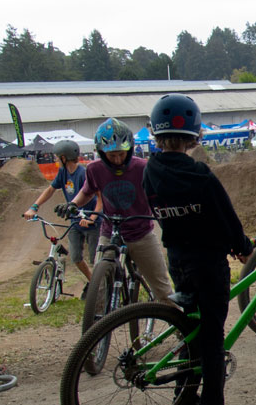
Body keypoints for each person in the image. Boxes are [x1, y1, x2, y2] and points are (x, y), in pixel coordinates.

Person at [143, 94, 252, 405]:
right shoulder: (201, 174)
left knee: (190, 333)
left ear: (156, 133)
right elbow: (226, 217)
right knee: (211, 338)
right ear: (194, 136)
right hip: (208, 263)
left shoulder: (151, 170)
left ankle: (185, 404)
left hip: (178, 260)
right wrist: (242, 247)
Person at [63, 118, 173, 303]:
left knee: (162, 288)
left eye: (121, 154)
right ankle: (97, 328)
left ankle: (179, 326)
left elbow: (159, 195)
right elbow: (87, 192)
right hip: (110, 232)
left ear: (129, 149)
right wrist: (72, 204)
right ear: (101, 152)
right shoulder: (94, 169)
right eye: (111, 155)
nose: (117, 160)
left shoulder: (142, 167)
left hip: (141, 233)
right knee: (99, 289)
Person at [23, 139, 101, 295]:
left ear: (64, 158)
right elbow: (50, 190)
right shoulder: (63, 173)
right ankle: (93, 283)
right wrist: (34, 207)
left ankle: (104, 287)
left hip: (92, 222)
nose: (55, 160)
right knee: (75, 256)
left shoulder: (83, 174)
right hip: (75, 221)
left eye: (57, 157)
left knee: (96, 260)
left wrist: (92, 218)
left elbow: (100, 197)